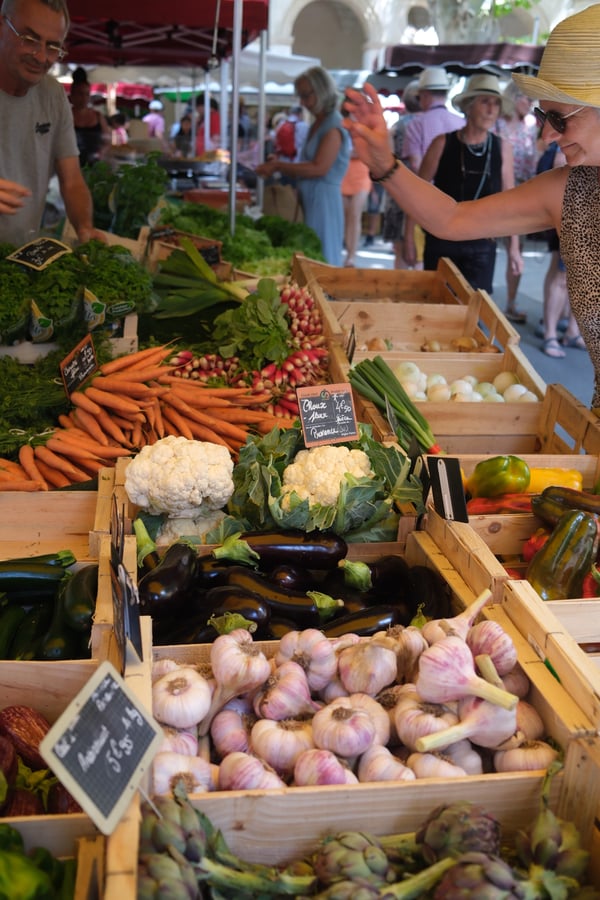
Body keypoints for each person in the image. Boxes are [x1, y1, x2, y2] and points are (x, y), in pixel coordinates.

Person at [343, 3, 600, 408]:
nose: (548, 134)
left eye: (560, 117)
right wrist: (384, 165)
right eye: (542, 115)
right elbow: (452, 217)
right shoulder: (571, 190)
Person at [403, 73, 522, 292]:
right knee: (438, 307)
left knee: (475, 313)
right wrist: (409, 238)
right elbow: (417, 193)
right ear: (468, 106)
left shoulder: (502, 148)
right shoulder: (442, 143)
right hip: (442, 241)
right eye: (484, 101)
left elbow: (510, 200)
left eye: (495, 103)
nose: (491, 109)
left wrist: (514, 248)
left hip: (482, 244)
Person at [0, 0, 101, 247]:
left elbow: (72, 179)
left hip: (20, 257)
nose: (41, 56)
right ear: (2, 26)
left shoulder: (53, 95)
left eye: (53, 46)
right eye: (30, 39)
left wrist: (85, 228)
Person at [256, 65, 351, 267]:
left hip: (323, 202)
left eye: (306, 95)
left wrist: (279, 166)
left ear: (322, 91)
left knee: (321, 259)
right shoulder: (318, 122)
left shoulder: (334, 126)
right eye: (300, 96)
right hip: (312, 199)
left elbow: (319, 168)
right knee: (310, 257)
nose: (302, 102)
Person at [401, 66, 464, 269]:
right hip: (458, 204)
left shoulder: (416, 124)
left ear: (425, 95)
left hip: (424, 203)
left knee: (423, 266)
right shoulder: (462, 123)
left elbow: (417, 167)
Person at [494, 82, 539, 322]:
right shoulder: (497, 123)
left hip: (522, 192)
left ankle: (510, 302)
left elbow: (533, 161)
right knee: (488, 245)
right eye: (527, 98)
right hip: (496, 194)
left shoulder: (530, 125)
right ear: (513, 97)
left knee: (517, 249)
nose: (530, 103)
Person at [382, 79, 421, 268]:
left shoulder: (397, 126)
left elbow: (388, 161)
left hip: (398, 189)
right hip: (421, 190)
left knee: (399, 250)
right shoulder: (424, 124)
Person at [69, 66, 110, 166]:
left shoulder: (98, 116)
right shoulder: (65, 116)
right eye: (80, 94)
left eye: (87, 94)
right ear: (72, 95)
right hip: (71, 165)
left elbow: (107, 140)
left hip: (94, 165)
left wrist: (100, 154)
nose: (83, 98)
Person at [341, 138, 371, 267]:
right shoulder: (344, 132)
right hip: (344, 175)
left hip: (362, 176)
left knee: (355, 214)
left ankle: (352, 255)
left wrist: (349, 153)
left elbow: (365, 153)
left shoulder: (366, 132)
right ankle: (348, 252)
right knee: (347, 217)